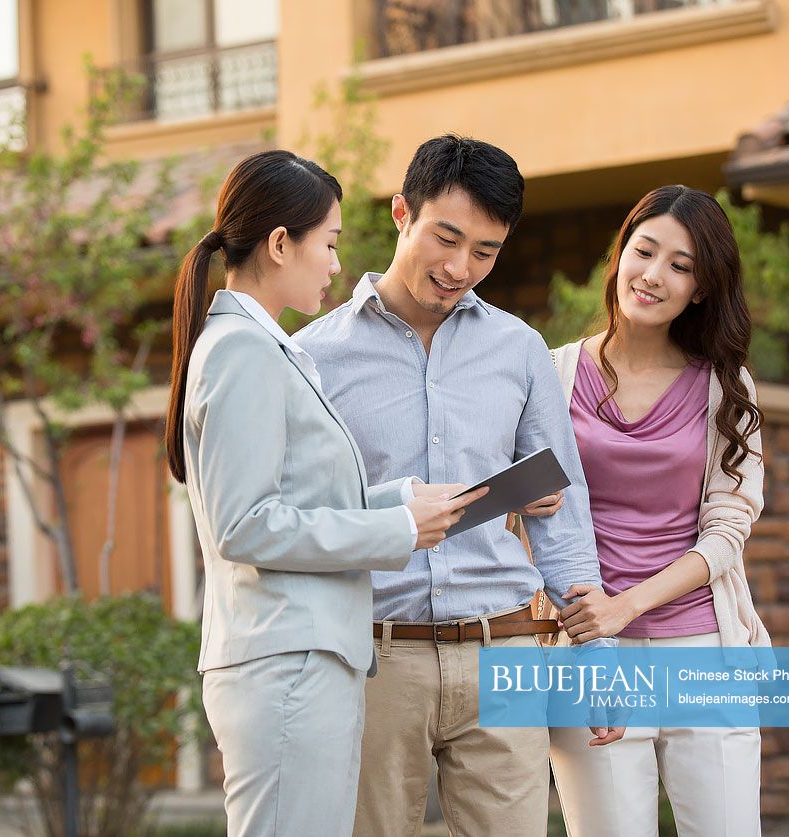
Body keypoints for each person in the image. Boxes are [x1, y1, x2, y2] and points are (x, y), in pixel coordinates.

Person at [295, 134, 619, 837]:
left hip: (505, 652)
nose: (459, 267)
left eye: (485, 251)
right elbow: (302, 516)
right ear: (400, 212)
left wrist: (595, 650)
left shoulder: (519, 349)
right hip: (375, 659)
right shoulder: (313, 356)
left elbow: (562, 516)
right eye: (446, 237)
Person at [164, 149, 476, 837]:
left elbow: (301, 495)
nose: (337, 265)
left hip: (302, 661)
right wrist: (396, 531)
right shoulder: (241, 350)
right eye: (328, 244)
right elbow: (245, 524)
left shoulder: (264, 346)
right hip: (286, 666)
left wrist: (404, 500)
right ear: (281, 244)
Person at [548, 185, 770, 837]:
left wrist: (629, 603)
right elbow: (530, 520)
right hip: (594, 655)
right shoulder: (551, 373)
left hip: (703, 652)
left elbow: (728, 530)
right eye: (644, 251)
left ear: (701, 289)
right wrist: (597, 632)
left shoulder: (724, 387)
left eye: (680, 265)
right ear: (619, 255)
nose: (653, 275)